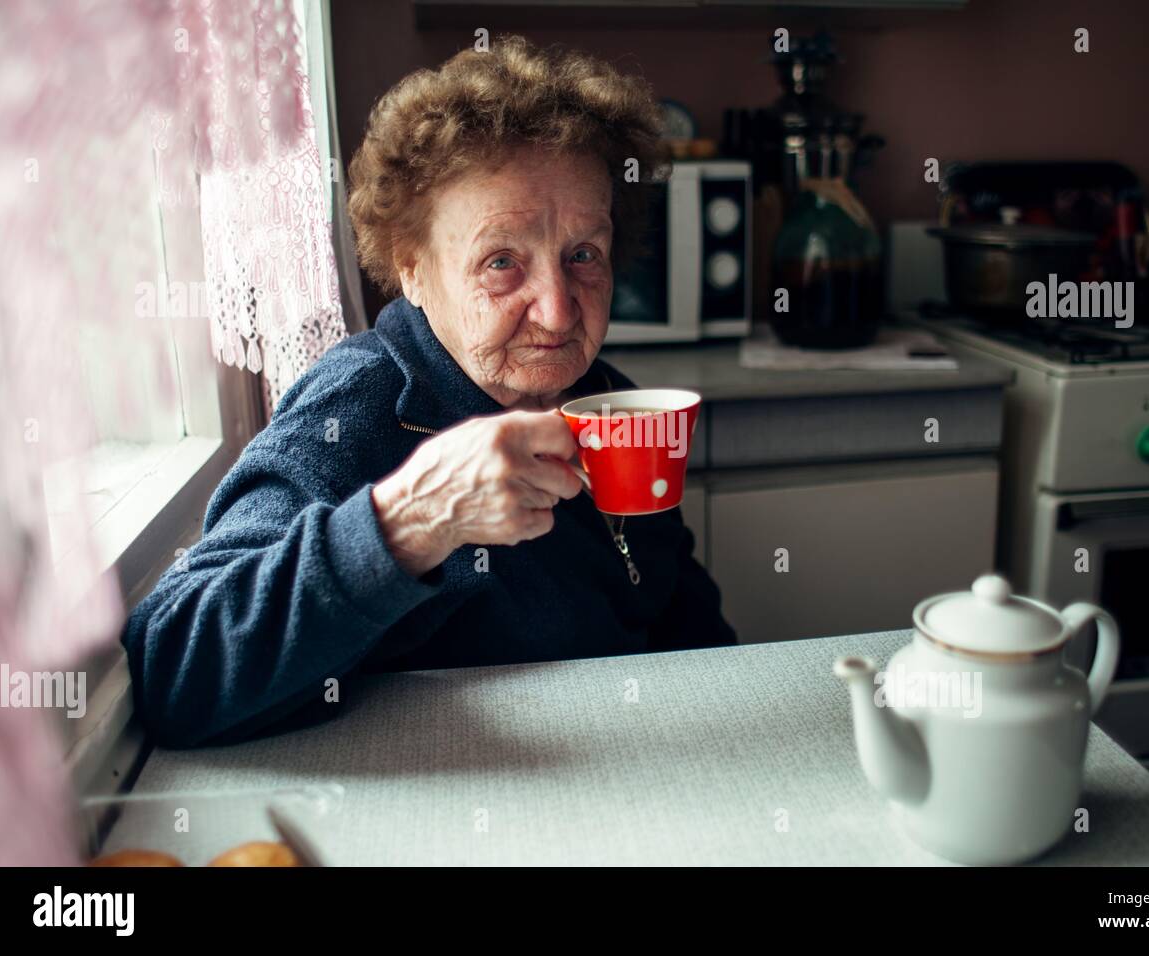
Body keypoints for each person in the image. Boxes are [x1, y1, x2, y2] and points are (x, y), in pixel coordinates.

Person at [121, 35, 737, 748]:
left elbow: (693, 637)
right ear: (412, 270)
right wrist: (412, 519)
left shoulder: (608, 402)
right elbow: (172, 663)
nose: (560, 310)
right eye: (501, 262)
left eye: (582, 256)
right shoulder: (358, 409)